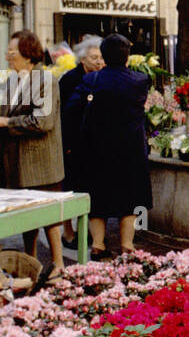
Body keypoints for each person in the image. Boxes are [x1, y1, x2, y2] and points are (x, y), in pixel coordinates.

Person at [66, 33, 151, 258]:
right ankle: (127, 244)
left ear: (103, 55)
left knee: (97, 196)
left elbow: (72, 110)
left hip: (96, 148)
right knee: (130, 197)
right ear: (127, 56)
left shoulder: (91, 80)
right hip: (131, 148)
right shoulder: (140, 80)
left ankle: (98, 244)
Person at [0, 30, 66, 278]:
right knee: (27, 221)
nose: (7, 56)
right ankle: (30, 263)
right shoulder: (10, 81)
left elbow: (43, 121)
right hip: (14, 164)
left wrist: (7, 123)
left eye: (12, 52)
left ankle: (58, 264)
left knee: (51, 219)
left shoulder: (46, 81)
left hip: (40, 164)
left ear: (28, 55)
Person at [59, 36, 104, 243]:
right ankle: (68, 233)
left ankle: (83, 229)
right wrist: (68, 144)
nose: (98, 61)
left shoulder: (100, 78)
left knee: (88, 188)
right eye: (93, 57)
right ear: (82, 59)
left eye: (101, 57)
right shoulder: (69, 80)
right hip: (72, 143)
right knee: (70, 188)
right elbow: (65, 115)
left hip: (92, 143)